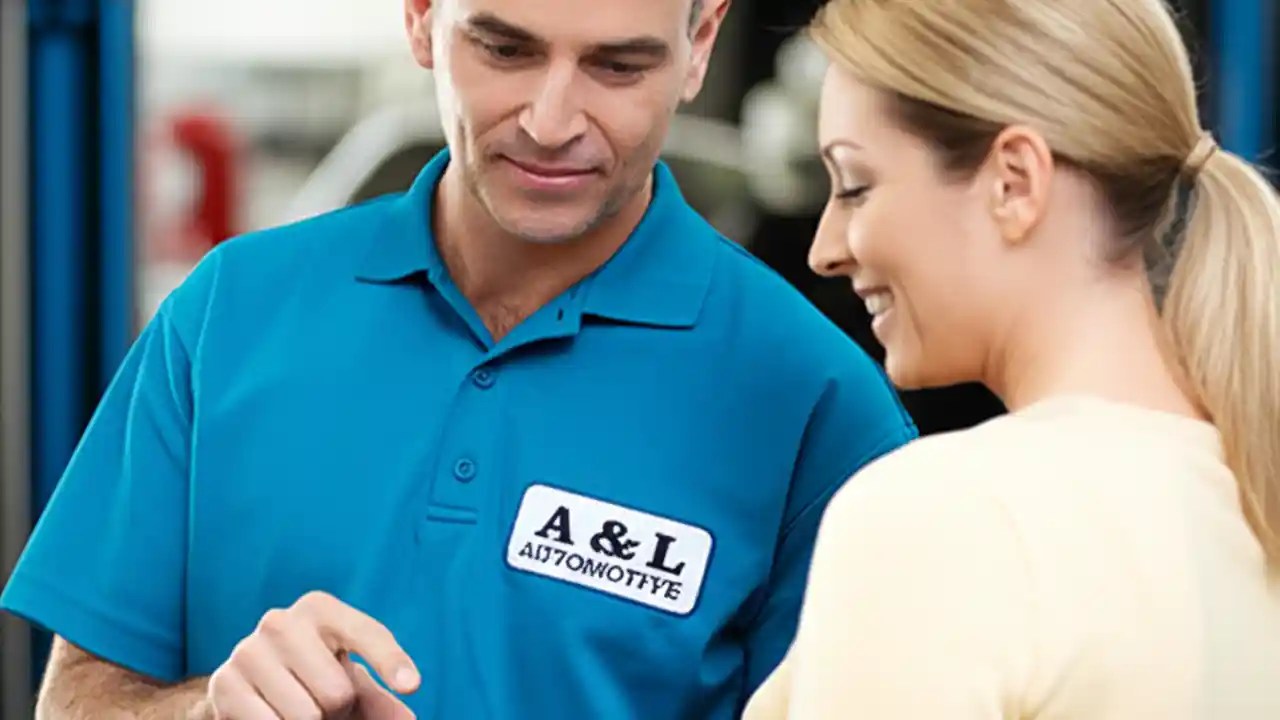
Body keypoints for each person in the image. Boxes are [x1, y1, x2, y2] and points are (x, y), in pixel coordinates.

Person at [2, 0, 917, 718]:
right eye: (505, 49)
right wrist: (211, 710)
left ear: (701, 42)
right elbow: (76, 699)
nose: (553, 120)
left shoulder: (816, 406)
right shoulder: (228, 313)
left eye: (617, 65)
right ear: (419, 17)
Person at [744, 0, 1280, 718]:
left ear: (1015, 182)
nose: (825, 248)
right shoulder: (1248, 501)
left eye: (855, 186)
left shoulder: (942, 516)